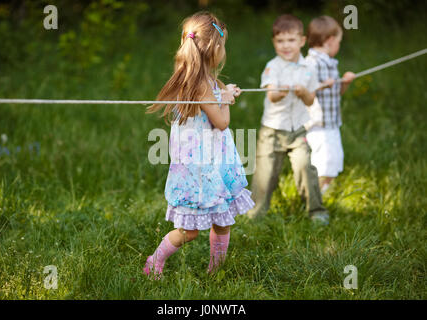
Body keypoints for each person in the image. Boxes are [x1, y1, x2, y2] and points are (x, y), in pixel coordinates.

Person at [144, 12, 255, 278]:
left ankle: (215, 271)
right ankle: (154, 260)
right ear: (215, 48)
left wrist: (224, 91)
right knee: (189, 231)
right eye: (223, 44)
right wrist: (225, 100)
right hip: (200, 172)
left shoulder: (200, 81)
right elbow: (222, 122)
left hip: (214, 163)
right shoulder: (201, 87)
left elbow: (215, 99)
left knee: (223, 220)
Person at [246, 14, 329, 225]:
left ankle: (316, 210)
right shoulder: (272, 66)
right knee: (265, 172)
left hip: (298, 129)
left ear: (302, 41)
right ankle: (255, 212)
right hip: (272, 130)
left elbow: (311, 101)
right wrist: (281, 91)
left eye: (291, 40)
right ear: (274, 43)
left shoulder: (309, 68)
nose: (286, 46)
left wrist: (303, 93)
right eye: (280, 41)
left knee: (304, 167)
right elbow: (271, 95)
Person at [304, 16, 355, 194]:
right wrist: (321, 85)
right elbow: (304, 90)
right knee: (322, 162)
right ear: (330, 41)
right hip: (318, 123)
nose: (339, 46)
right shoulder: (311, 63)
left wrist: (345, 82)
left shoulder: (331, 63)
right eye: (339, 41)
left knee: (334, 160)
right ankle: (313, 197)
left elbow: (336, 92)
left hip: (332, 122)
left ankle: (323, 193)